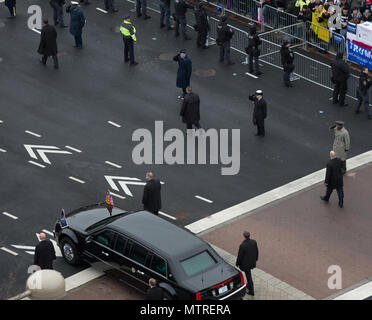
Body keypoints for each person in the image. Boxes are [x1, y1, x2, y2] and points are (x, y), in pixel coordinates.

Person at [236, 231, 259, 296]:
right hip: (252, 262)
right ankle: (248, 285)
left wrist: (237, 263)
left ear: (244, 236)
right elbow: (257, 251)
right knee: (248, 275)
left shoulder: (242, 245)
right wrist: (256, 259)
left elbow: (240, 256)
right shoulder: (254, 242)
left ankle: (251, 291)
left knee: (248, 276)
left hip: (245, 265)